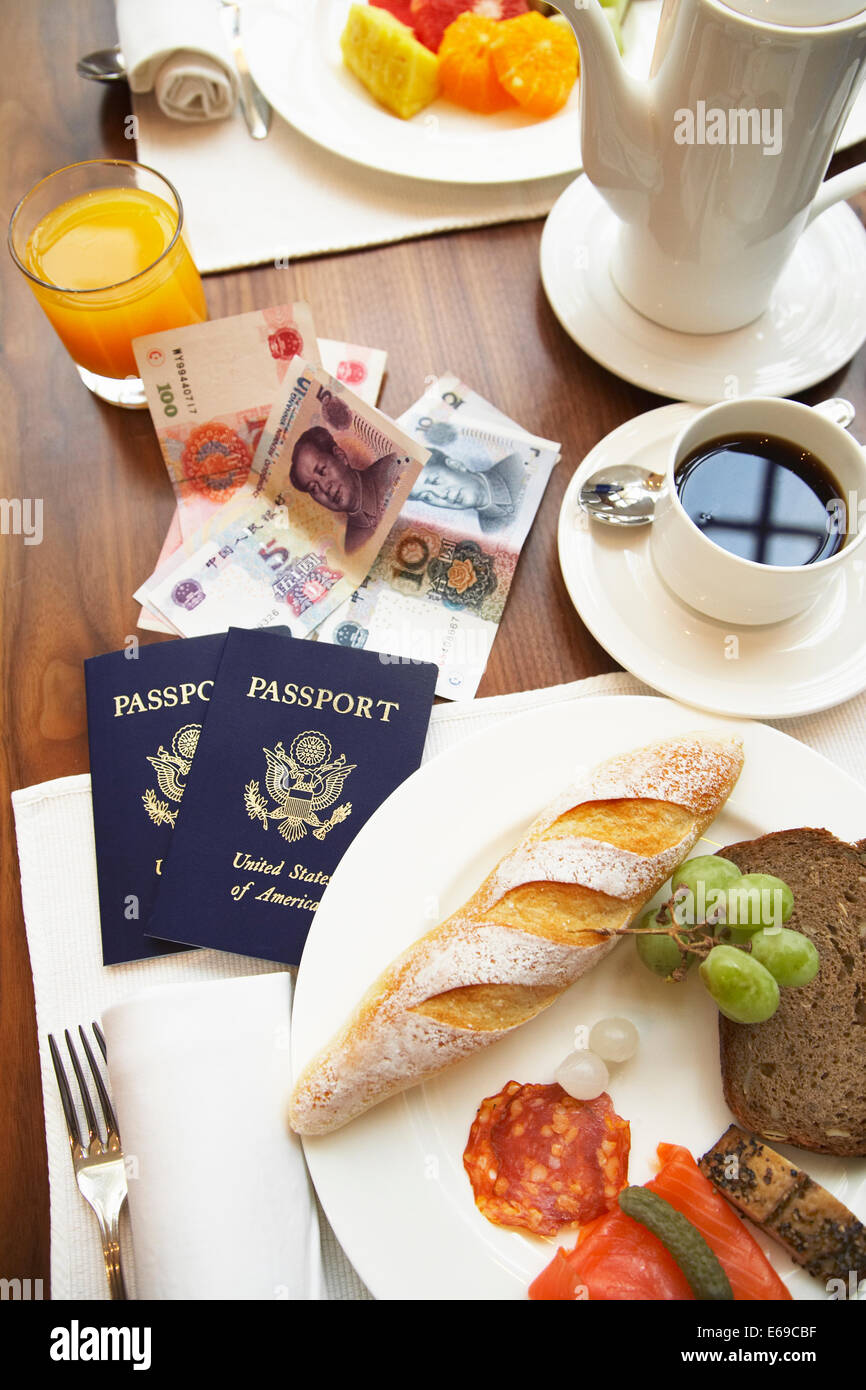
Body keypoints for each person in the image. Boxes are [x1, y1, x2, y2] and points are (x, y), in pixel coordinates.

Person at [289, 425, 400, 554]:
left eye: (322, 471)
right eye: (313, 488)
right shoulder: (353, 546)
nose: (325, 488)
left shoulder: (394, 468)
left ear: (340, 456)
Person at [408, 448, 523, 533]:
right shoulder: (490, 530)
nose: (441, 494)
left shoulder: (518, 467)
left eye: (435, 481)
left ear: (456, 466)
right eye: (426, 497)